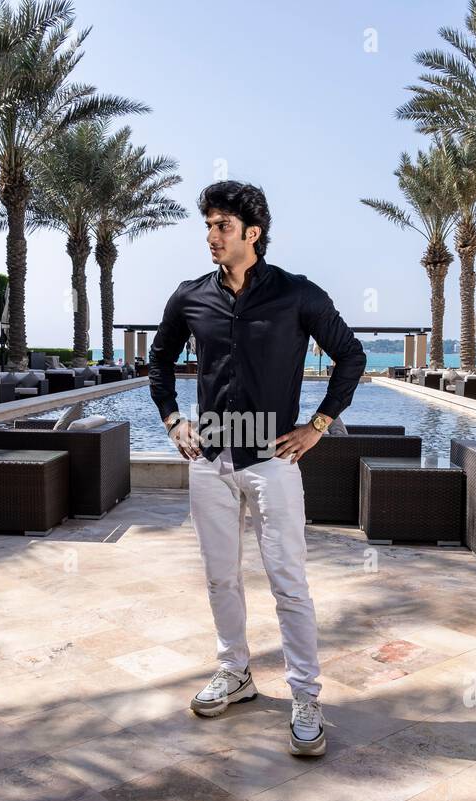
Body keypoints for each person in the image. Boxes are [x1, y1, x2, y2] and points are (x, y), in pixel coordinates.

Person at [149, 181, 366, 757]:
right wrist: (174, 421)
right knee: (221, 576)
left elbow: (352, 355)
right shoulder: (190, 296)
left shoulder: (298, 295)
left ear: (253, 233)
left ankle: (305, 696)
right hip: (210, 460)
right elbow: (158, 363)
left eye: (221, 226)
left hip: (273, 460)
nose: (211, 236)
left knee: (288, 581)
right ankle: (235, 673)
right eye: (208, 226)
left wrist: (318, 425)